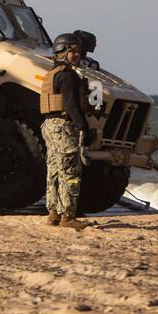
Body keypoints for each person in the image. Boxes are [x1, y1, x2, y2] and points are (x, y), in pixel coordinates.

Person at [39, 32, 96, 231]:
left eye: (79, 51)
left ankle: (53, 213)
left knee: (54, 169)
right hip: (63, 127)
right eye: (73, 51)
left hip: (49, 125)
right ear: (62, 52)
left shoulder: (52, 73)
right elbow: (71, 105)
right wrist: (84, 128)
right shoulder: (68, 75)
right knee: (70, 170)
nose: (77, 55)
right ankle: (68, 216)